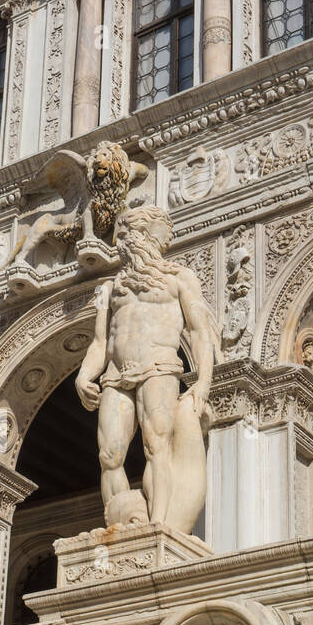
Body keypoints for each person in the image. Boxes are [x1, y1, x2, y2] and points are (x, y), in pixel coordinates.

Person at [74, 204, 217, 531]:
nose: (121, 243)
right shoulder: (107, 289)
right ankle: (119, 524)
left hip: (159, 367)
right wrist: (84, 374)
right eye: (120, 237)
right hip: (115, 375)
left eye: (126, 235)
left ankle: (158, 526)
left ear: (145, 236)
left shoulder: (179, 278)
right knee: (109, 456)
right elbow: (100, 342)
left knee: (157, 447)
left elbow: (199, 331)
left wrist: (203, 381)